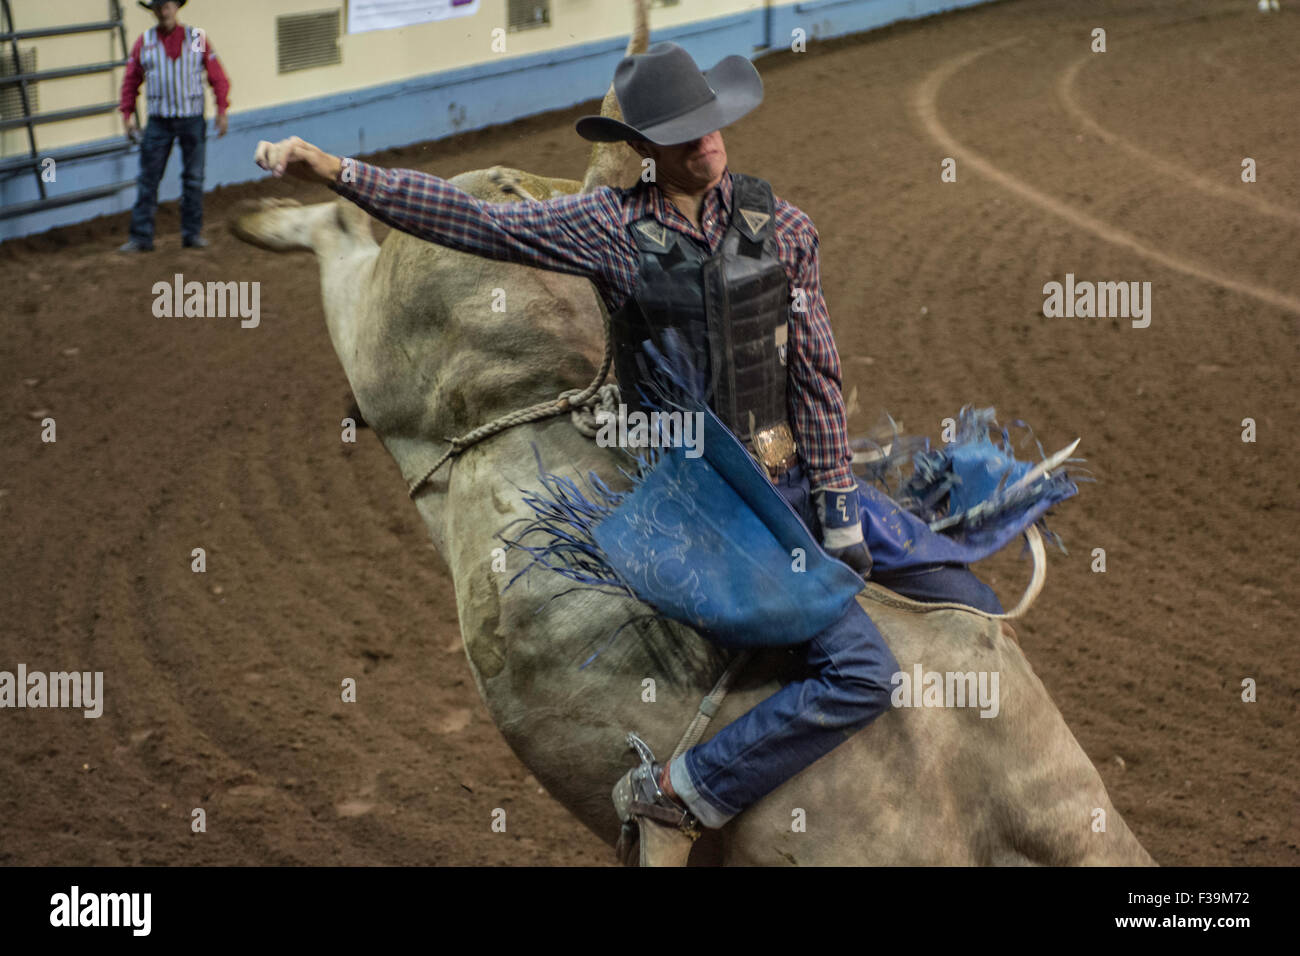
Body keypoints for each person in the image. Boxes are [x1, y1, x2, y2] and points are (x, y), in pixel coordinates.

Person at [251, 42, 1003, 839]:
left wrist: (841, 506)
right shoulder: (606, 230)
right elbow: (466, 219)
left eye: (713, 124)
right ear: (642, 150)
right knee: (862, 671)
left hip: (786, 478)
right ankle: (682, 789)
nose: (708, 142)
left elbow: (816, 376)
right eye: (684, 132)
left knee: (963, 593)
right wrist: (336, 170)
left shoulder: (784, 227)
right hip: (702, 497)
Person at [118, 0, 229, 252]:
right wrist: (127, 113)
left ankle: (192, 234)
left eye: (167, 4)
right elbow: (131, 80)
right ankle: (141, 237)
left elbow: (216, 75)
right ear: (154, 10)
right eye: (159, 5)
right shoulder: (144, 42)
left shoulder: (197, 37)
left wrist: (222, 109)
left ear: (176, 7)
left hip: (192, 118)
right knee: (148, 178)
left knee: (193, 178)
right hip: (159, 120)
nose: (163, 9)